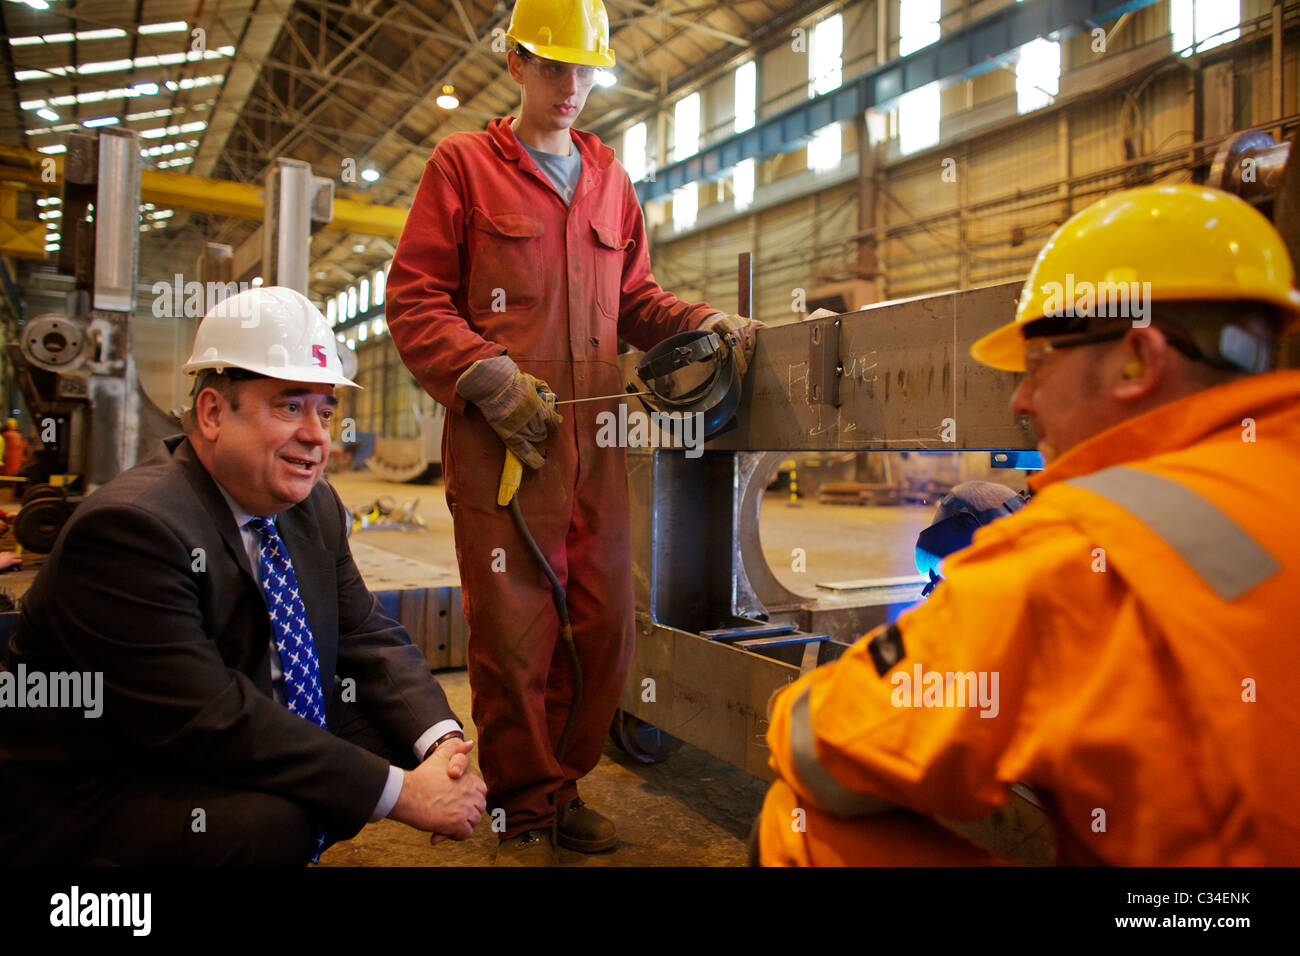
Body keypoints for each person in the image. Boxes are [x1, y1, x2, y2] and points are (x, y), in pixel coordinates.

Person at [757, 183, 1300, 866]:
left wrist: (803, 697)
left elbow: (825, 749)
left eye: (1039, 365)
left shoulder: (1068, 555)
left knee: (799, 824)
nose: (1020, 398)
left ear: (1140, 359)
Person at [385, 0, 756, 864]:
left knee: (600, 623)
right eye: (556, 67)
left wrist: (703, 321)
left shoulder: (608, 179)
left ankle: (565, 783)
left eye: (587, 71)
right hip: (503, 448)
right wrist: (485, 375)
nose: (574, 87)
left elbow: (636, 302)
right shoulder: (463, 168)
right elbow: (414, 298)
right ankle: (523, 805)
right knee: (515, 631)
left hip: (597, 447)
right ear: (515, 63)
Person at [0, 287, 487, 865]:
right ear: (211, 413)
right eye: (289, 407)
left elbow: (366, 634)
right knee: (272, 823)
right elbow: (208, 718)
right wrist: (405, 794)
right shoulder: (131, 530)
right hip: (100, 786)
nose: (317, 435)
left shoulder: (314, 506)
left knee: (396, 737)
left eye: (325, 412)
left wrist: (443, 747)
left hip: (215, 731)